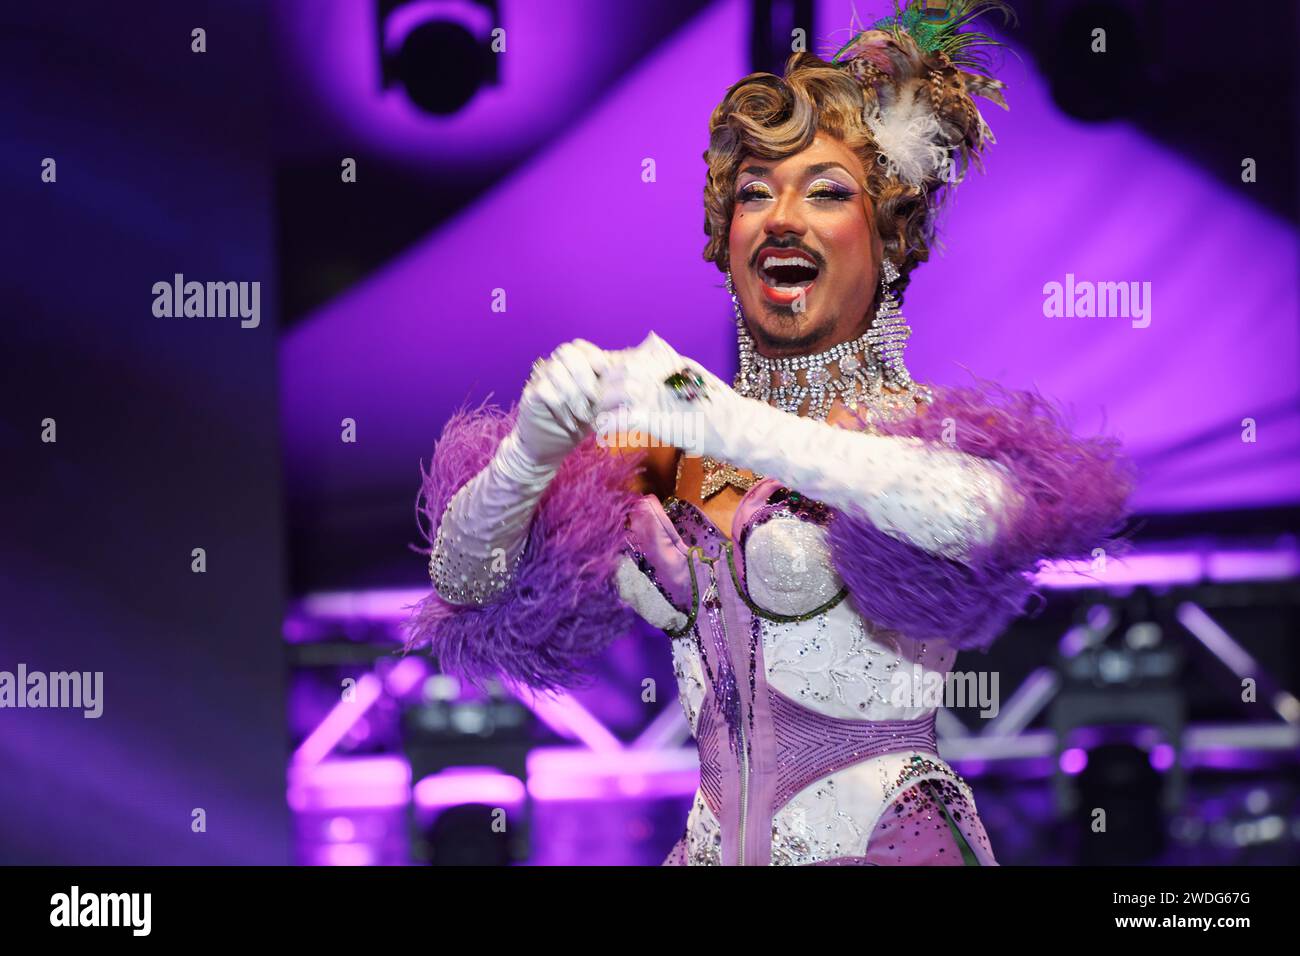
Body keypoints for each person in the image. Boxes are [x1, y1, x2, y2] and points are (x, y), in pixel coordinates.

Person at [404, 1, 1135, 865]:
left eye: (826, 192)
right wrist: (531, 448)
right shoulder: (680, 460)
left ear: (890, 238)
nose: (782, 217)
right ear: (728, 235)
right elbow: (463, 585)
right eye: (756, 193)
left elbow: (990, 519)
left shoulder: (911, 436)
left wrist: (725, 420)